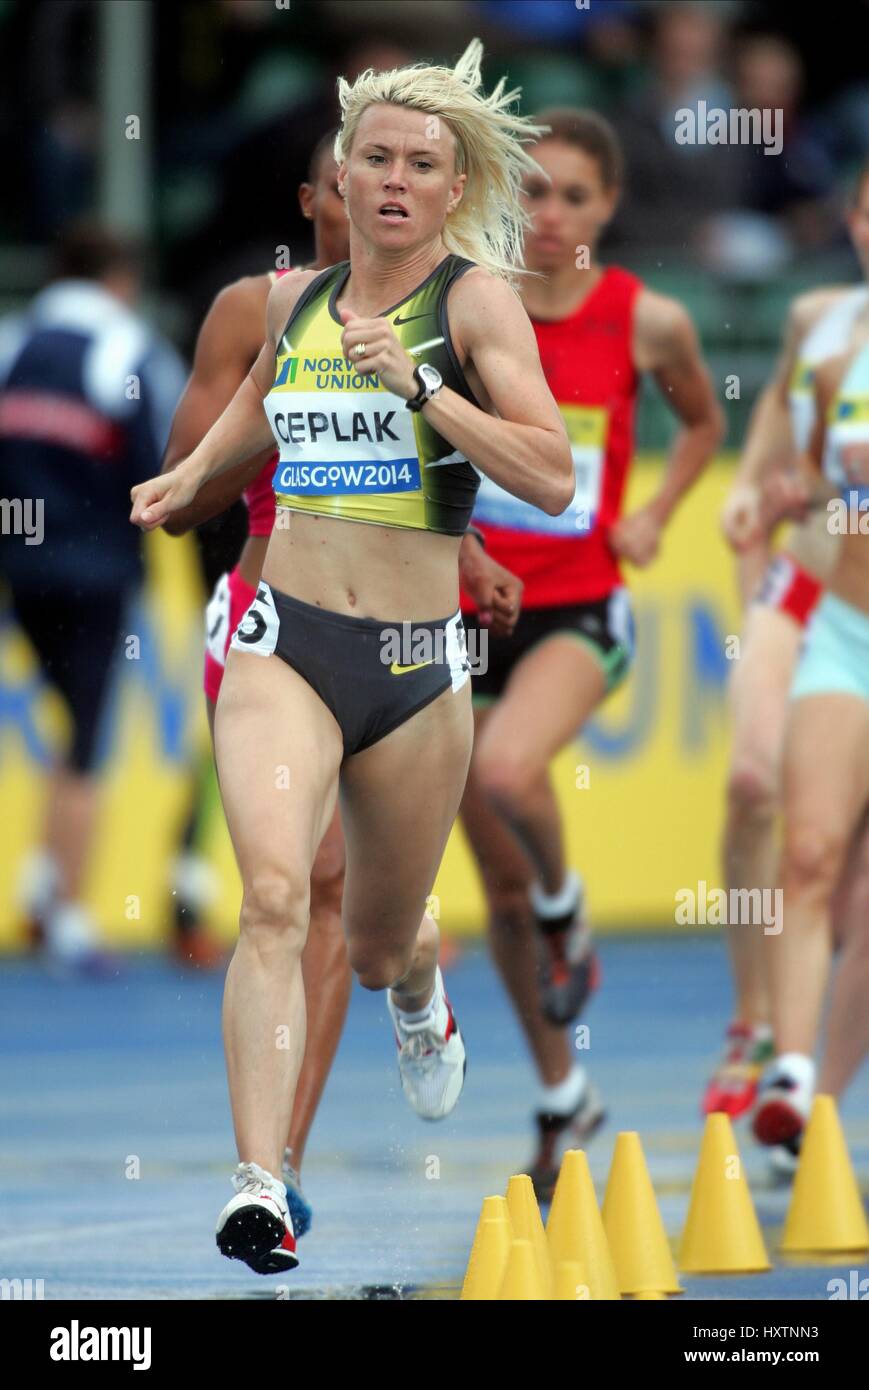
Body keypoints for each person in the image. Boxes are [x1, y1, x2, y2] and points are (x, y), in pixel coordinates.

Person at [131, 40, 574, 1275]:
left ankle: (419, 987)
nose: (387, 178)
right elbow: (249, 421)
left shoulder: (476, 302)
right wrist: (186, 480)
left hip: (417, 668)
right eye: (368, 157)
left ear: (451, 184)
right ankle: (258, 1182)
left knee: (374, 942)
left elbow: (550, 469)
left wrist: (427, 388)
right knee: (274, 898)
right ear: (336, 176)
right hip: (285, 639)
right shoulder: (291, 303)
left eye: (416, 163)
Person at [458, 108, 724, 1200]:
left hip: (577, 607)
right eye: (532, 193)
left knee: (505, 770)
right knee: (496, 893)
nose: (550, 214)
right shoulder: (474, 310)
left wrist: (655, 510)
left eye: (572, 195)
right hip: (468, 609)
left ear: (609, 205)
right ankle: (566, 1094)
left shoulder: (645, 320)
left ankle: (573, 908)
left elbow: (701, 424)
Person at [707, 164, 869, 1155]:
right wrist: (755, 490)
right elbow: (800, 455)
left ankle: (815, 1104)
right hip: (822, 602)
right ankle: (769, 1041)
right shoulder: (822, 323)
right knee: (771, 807)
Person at [0, 222, 186, 974]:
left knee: (61, 714)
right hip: (97, 573)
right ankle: (68, 909)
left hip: (17, 564)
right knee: (86, 732)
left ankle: (44, 878)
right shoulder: (128, 350)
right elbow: (161, 467)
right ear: (122, 279)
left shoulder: (12, 340)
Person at [752, 331, 869, 1149]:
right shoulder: (839, 369)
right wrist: (790, 490)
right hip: (844, 633)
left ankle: (821, 1112)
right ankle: (788, 1072)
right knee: (808, 853)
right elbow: (826, 492)